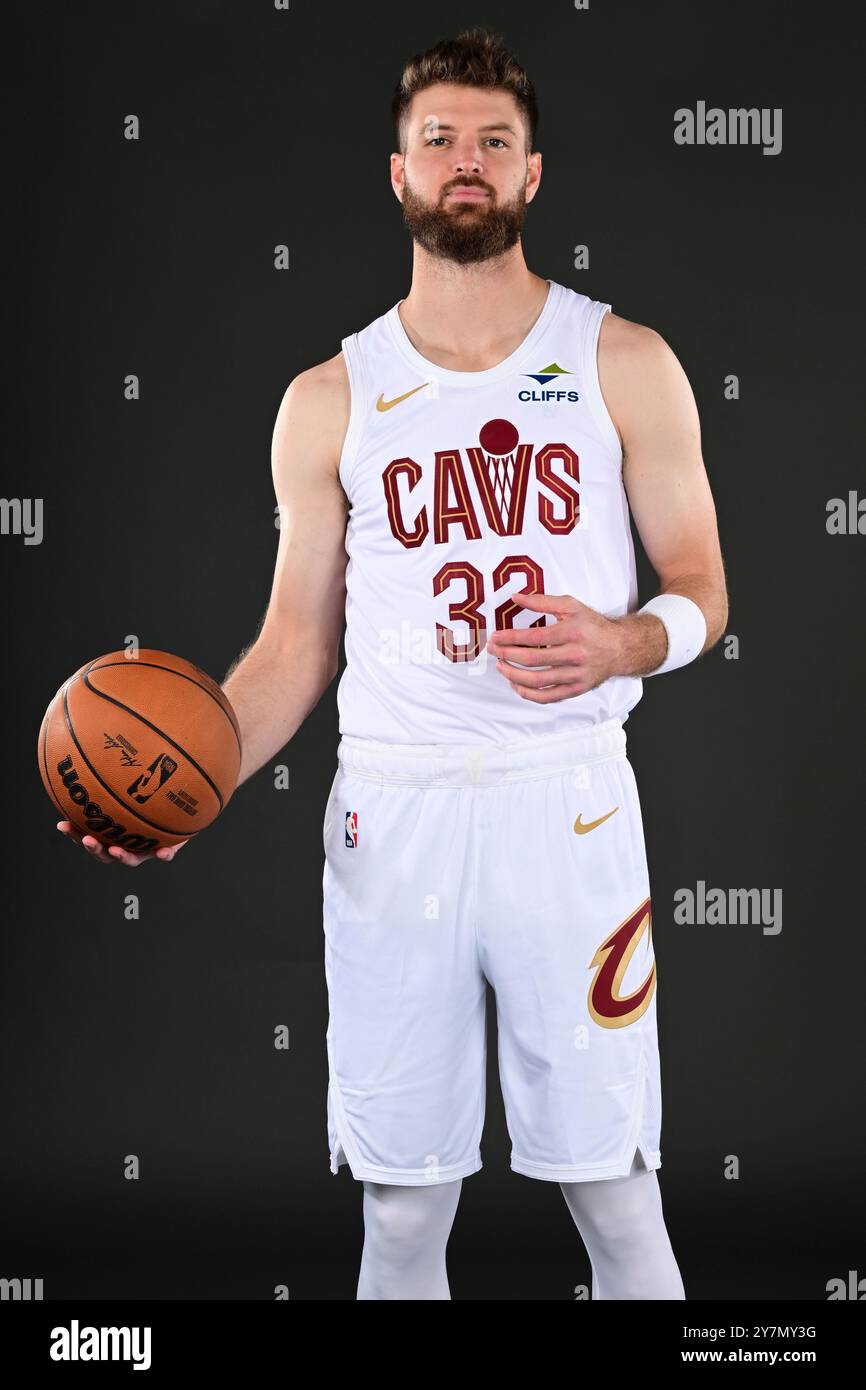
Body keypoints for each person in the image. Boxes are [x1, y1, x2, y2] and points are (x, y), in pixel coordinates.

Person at [59, 26, 727, 1300]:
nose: (463, 162)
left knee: (614, 1190)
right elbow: (294, 644)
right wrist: (189, 781)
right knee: (403, 1206)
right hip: (392, 812)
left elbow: (699, 585)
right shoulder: (329, 395)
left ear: (533, 176)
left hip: (565, 801)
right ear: (397, 173)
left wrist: (625, 639)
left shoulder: (620, 361)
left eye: (492, 141)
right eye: (439, 141)